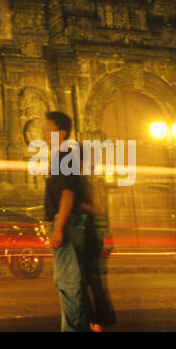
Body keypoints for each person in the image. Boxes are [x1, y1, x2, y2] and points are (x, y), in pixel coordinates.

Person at [42, 111, 92, 332]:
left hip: (66, 225)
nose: (43, 134)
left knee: (68, 285)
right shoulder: (67, 157)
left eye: (48, 130)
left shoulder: (62, 157)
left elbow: (67, 194)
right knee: (74, 283)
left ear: (61, 133)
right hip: (73, 224)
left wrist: (58, 228)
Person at [81, 170, 117, 331]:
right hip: (93, 238)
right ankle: (98, 318)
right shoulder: (90, 183)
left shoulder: (86, 184)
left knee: (91, 281)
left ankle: (97, 318)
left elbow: (97, 210)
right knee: (93, 280)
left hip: (91, 239)